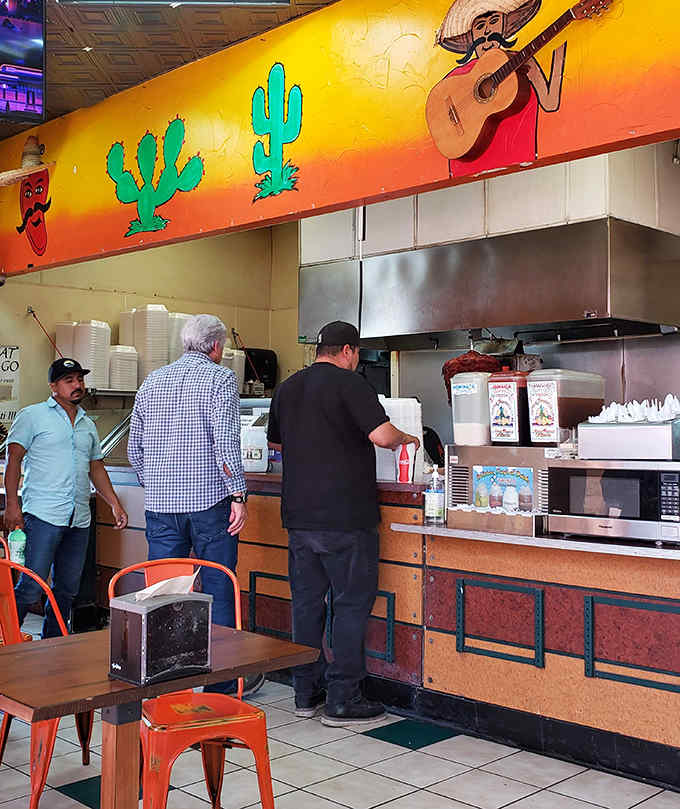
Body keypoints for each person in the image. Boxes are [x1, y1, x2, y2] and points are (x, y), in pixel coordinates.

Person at [267, 321, 420, 726]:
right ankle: (343, 698)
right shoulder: (351, 385)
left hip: (299, 519)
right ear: (349, 351)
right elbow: (383, 436)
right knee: (349, 606)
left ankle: (304, 693)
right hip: (346, 518)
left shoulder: (288, 387)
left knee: (306, 606)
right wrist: (409, 438)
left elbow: (276, 443)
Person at [127, 314, 263, 696]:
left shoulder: (153, 380)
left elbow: (134, 446)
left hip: (161, 506)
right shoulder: (220, 379)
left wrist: (154, 482)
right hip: (209, 506)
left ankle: (163, 682)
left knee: (164, 593)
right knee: (219, 587)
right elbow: (225, 442)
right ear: (217, 346)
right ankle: (221, 686)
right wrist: (238, 494)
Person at [4, 358, 128, 638]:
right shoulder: (32, 415)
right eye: (69, 380)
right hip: (43, 515)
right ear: (53, 386)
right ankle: (7, 640)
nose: (77, 385)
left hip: (79, 518)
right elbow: (13, 461)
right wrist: (13, 505)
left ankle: (53, 645)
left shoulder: (87, 424)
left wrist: (114, 503)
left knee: (67, 589)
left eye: (80, 380)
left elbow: (95, 466)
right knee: (31, 586)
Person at [433, 0, 566, 177]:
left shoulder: (523, 62)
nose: (487, 31)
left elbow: (550, 103)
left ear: (506, 25)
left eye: (494, 21)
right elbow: (437, 111)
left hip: (523, 165)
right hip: (467, 173)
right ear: (471, 35)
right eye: (480, 26)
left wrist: (560, 50)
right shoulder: (458, 77)